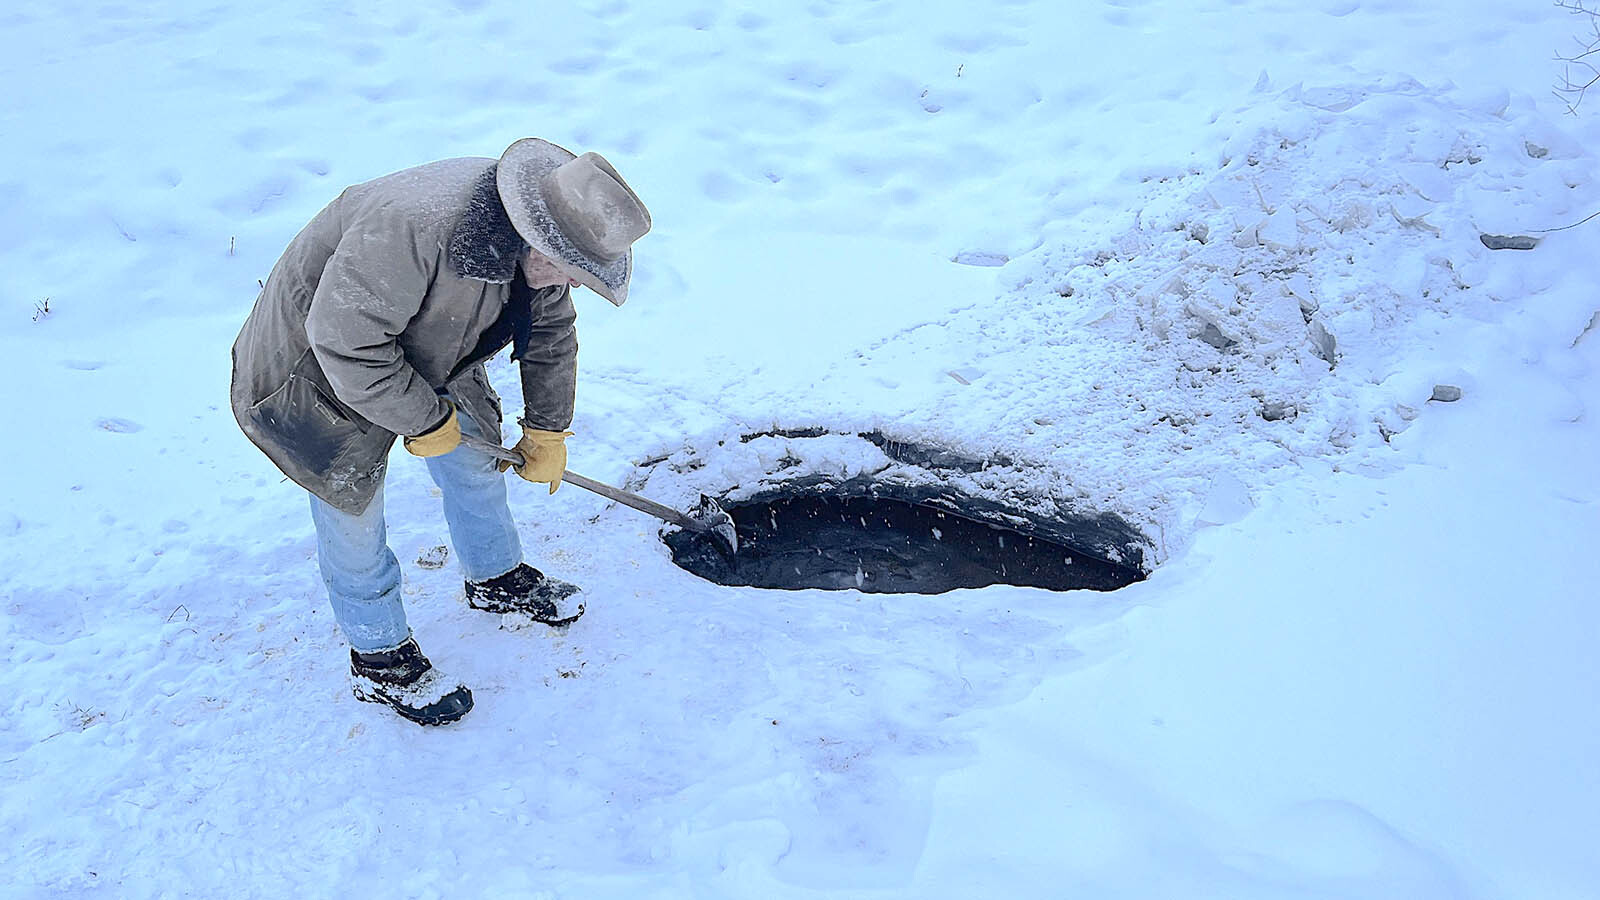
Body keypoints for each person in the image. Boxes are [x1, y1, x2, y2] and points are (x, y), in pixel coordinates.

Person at [229, 138, 651, 726]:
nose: (573, 283)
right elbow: (347, 346)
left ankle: (495, 576)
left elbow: (551, 336)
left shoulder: (542, 247)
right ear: (533, 234)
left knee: (475, 461)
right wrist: (425, 420)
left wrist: (548, 429)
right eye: (571, 268)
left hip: (436, 338)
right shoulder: (410, 232)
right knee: (353, 513)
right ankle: (379, 657)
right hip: (319, 363)